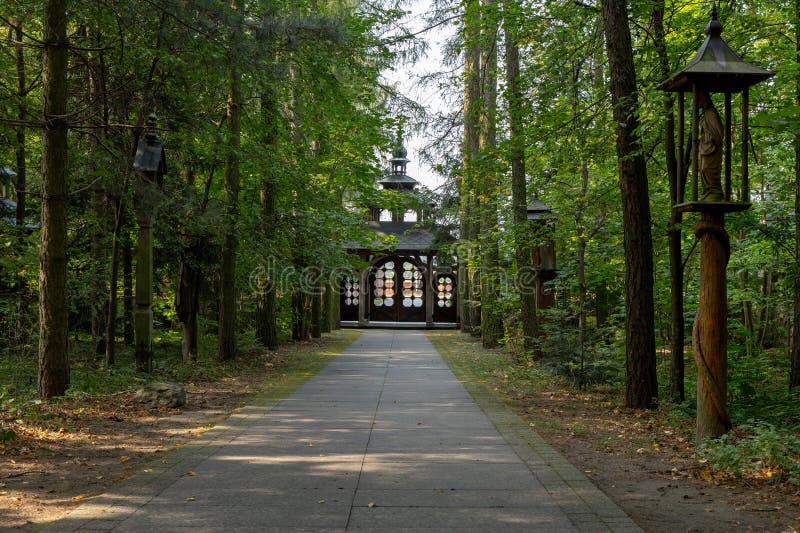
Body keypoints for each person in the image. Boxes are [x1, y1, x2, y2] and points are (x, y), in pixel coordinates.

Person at [698, 91, 724, 202]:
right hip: (705, 146)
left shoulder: (711, 112)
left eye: (699, 100)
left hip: (712, 147)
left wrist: (712, 140)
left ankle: (714, 190)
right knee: (702, 169)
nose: (697, 103)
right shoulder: (706, 114)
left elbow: (719, 131)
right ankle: (708, 190)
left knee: (706, 168)